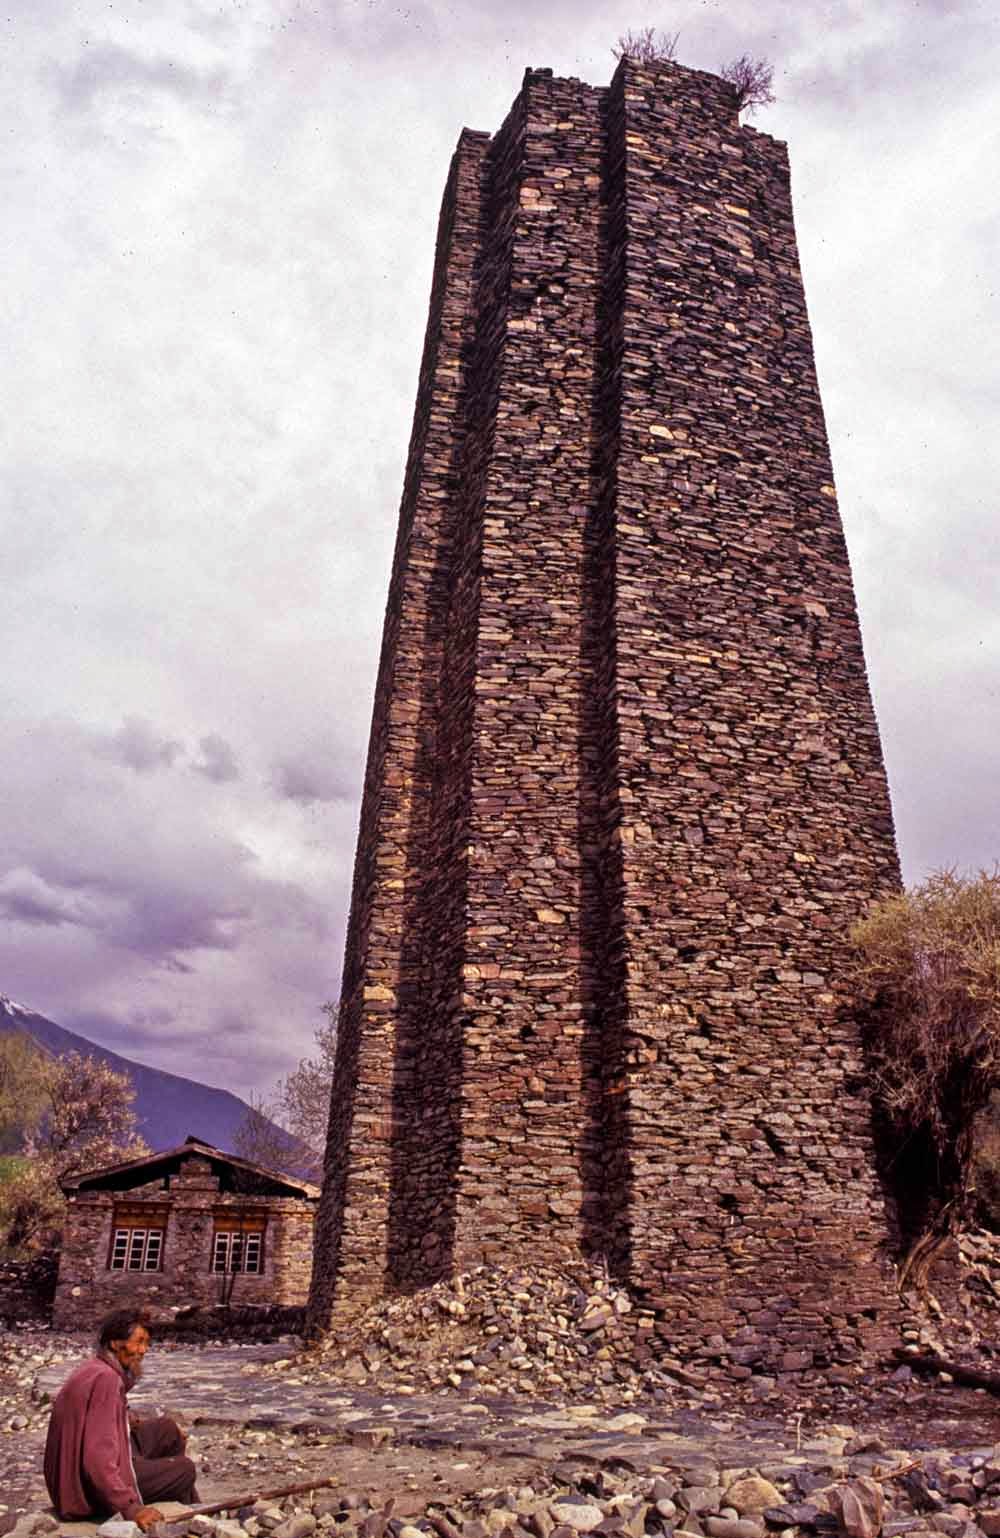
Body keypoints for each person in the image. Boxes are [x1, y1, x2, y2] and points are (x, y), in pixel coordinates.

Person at [44, 1307, 199, 1530]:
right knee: (184, 1469)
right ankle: (187, 1519)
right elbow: (96, 1458)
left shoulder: (95, 1368)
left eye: (146, 1343)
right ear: (116, 1344)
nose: (143, 1350)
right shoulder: (107, 1380)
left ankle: (181, 1504)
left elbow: (98, 1419)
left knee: (167, 1429)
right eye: (138, 1342)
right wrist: (131, 1508)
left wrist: (125, 1418)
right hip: (83, 1493)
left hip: (75, 1477)